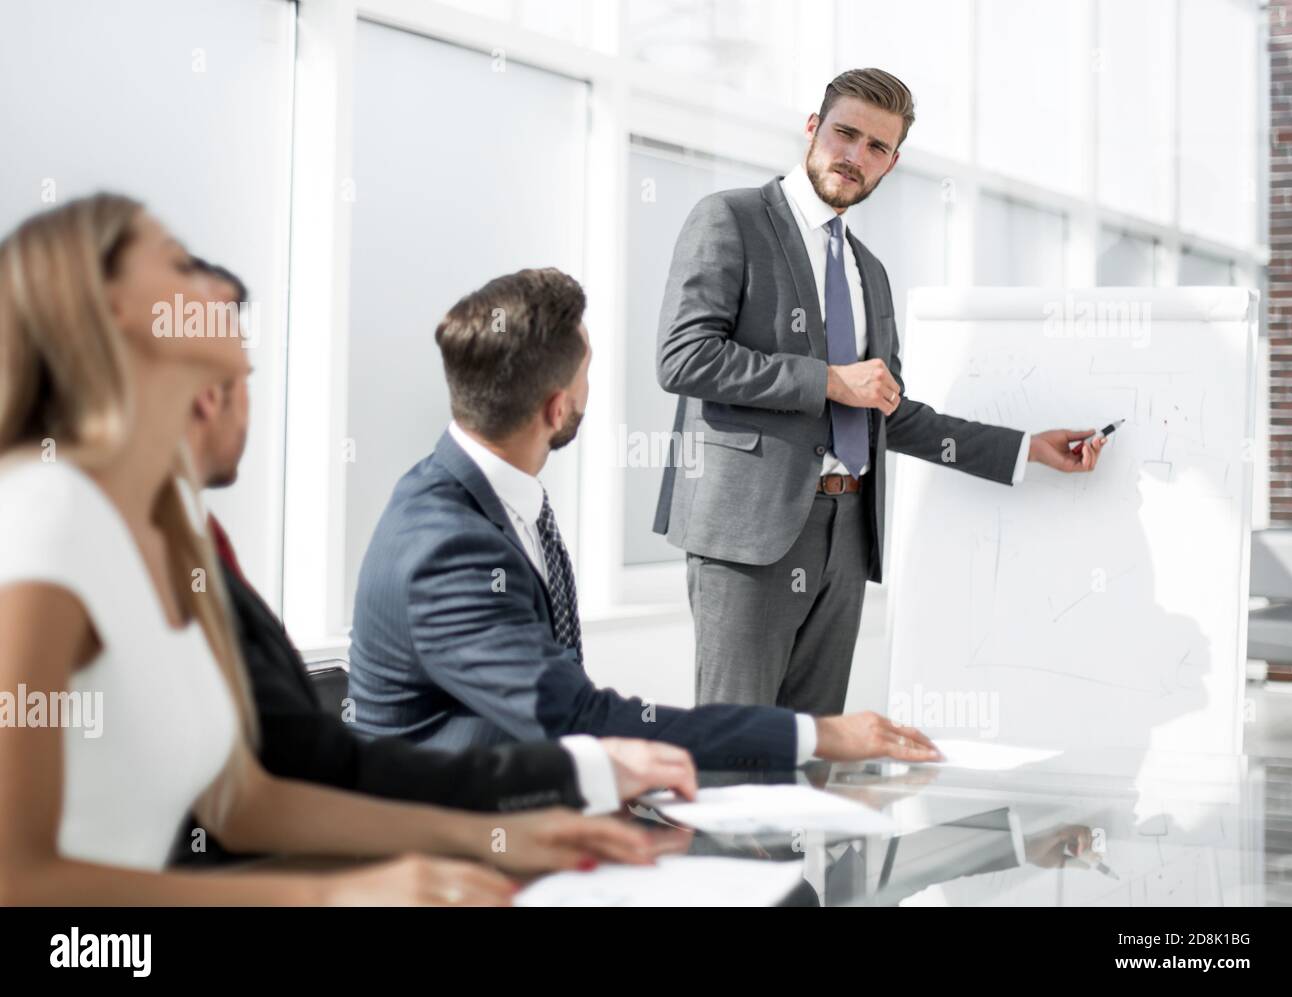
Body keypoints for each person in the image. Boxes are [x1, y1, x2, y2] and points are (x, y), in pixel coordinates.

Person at [0, 195, 651, 906]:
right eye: (179, 265)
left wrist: (484, 835)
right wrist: (336, 896)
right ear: (112, 309)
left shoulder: (171, 528)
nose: (215, 286)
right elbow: (18, 881)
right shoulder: (46, 514)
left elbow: (241, 802)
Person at [174, 259, 695, 869]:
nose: (241, 401)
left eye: (242, 376)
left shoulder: (194, 543)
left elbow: (264, 793)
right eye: (230, 379)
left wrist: (582, 785)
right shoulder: (443, 537)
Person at [349, 267, 942, 770]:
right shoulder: (446, 545)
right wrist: (818, 734)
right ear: (557, 409)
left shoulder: (490, 500)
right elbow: (578, 719)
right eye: (586, 372)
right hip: (460, 842)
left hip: (542, 805)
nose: (590, 387)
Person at [652, 67, 1108, 714]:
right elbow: (685, 358)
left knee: (818, 745)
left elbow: (886, 410)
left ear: (891, 163)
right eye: (845, 134)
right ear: (813, 128)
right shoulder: (731, 219)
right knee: (740, 747)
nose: (855, 156)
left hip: (847, 534)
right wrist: (830, 381)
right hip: (750, 532)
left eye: (876, 147)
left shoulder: (870, 271)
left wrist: (1026, 448)